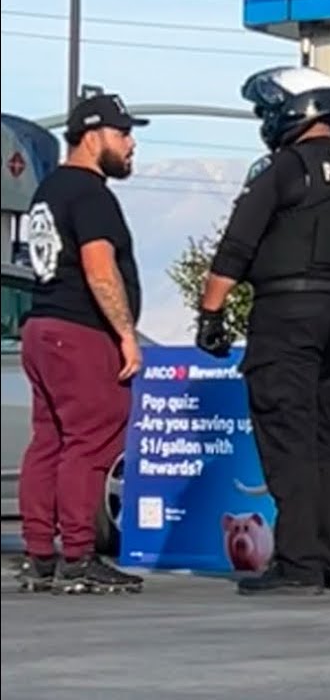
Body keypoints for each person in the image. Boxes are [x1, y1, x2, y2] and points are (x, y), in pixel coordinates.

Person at [194, 66, 330, 596]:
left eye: (267, 110)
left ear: (291, 112)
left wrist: (211, 314)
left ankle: (299, 566)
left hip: (286, 320)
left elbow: (236, 246)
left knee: (288, 437)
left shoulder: (284, 169)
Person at [12, 93, 150, 595]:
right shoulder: (91, 194)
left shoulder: (49, 189)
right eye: (123, 133)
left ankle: (39, 556)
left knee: (49, 441)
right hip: (80, 332)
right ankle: (78, 558)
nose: (131, 144)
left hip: (42, 327)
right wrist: (127, 336)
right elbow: (99, 268)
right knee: (90, 442)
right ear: (93, 137)